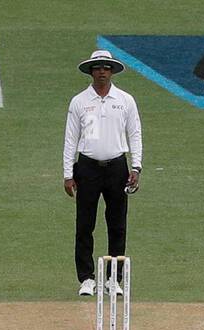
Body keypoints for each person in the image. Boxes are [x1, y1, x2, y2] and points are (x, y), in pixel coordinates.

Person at [63, 49, 142, 297]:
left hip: (117, 167)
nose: (102, 71)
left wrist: (136, 167)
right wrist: (67, 173)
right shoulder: (79, 101)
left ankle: (114, 279)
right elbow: (70, 138)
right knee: (85, 224)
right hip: (87, 167)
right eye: (97, 67)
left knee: (117, 224)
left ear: (112, 71)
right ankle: (87, 278)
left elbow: (135, 134)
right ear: (91, 71)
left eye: (106, 67)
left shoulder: (125, 100)